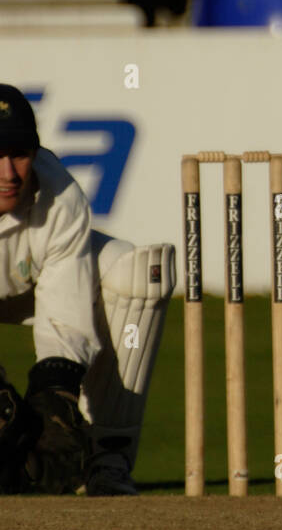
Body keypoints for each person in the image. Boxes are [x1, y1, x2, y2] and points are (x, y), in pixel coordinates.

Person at [0, 86, 175, 496]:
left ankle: (107, 458)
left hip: (30, 281)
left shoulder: (61, 196)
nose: (8, 173)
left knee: (136, 272)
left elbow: (64, 312)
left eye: (19, 155)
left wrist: (53, 400)